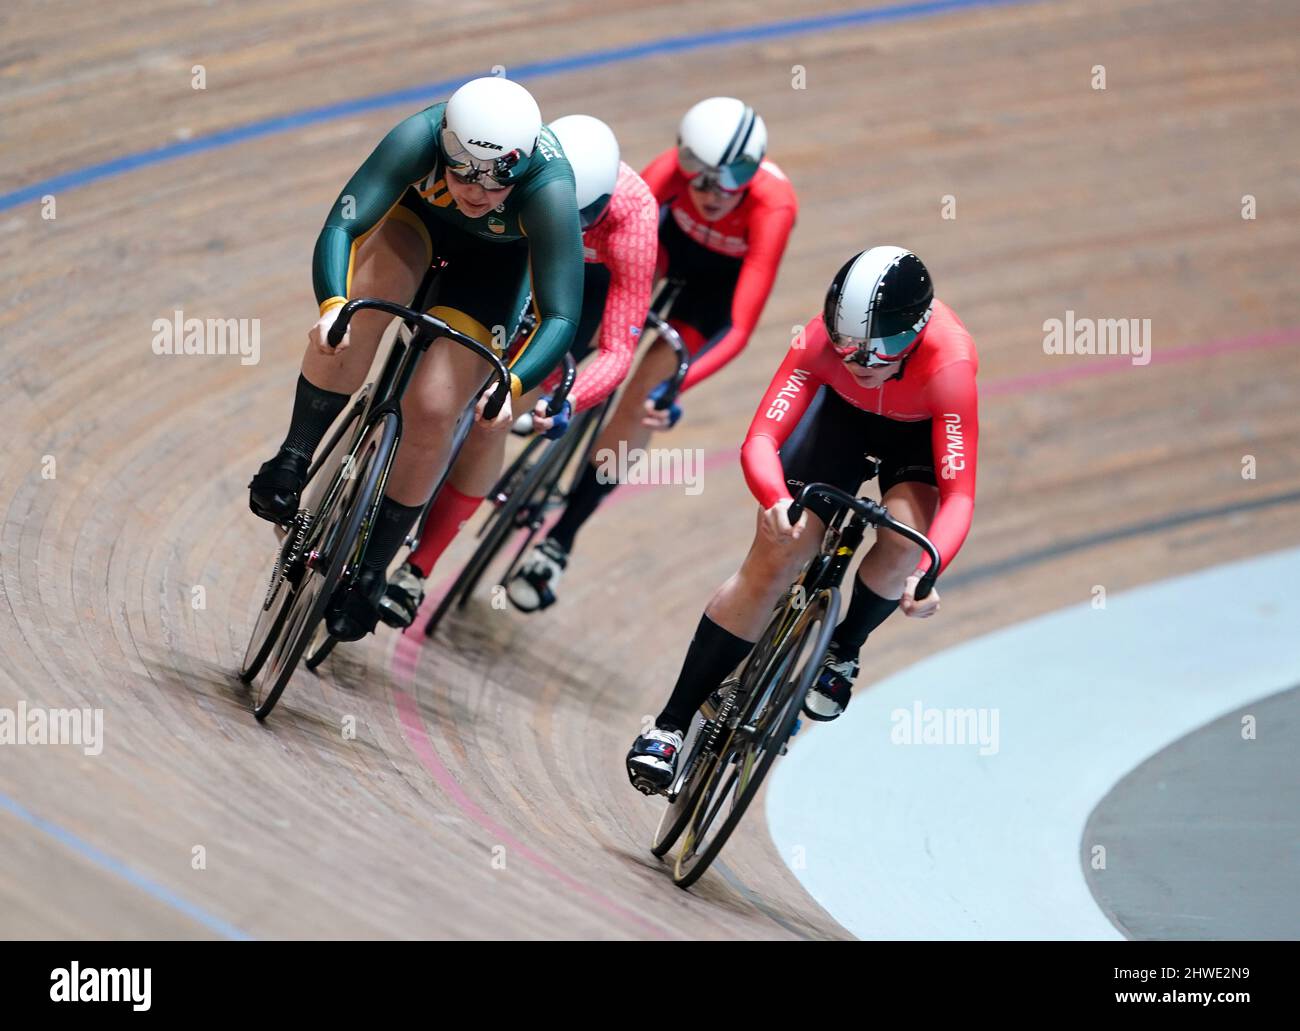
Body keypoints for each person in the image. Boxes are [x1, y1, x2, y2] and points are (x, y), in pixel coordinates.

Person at [625, 247, 980, 790]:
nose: (859, 361)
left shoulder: (950, 367)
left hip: (914, 438)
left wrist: (929, 571)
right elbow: (761, 439)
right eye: (846, 346)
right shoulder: (818, 340)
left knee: (904, 538)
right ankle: (670, 727)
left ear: (916, 330)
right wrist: (774, 499)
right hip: (837, 425)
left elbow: (958, 497)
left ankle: (844, 648)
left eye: (876, 350)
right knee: (776, 556)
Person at [245, 76, 583, 641]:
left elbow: (561, 316)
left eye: (497, 175)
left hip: (492, 273)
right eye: (461, 167)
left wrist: (514, 386)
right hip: (415, 228)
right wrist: (333, 305)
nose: (475, 189)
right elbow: (344, 225)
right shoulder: (415, 136)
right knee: (360, 316)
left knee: (434, 406)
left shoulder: (550, 191)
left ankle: (372, 568)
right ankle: (292, 456)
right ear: (444, 140)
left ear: (522, 168)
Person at [506, 96, 798, 612]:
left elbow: (739, 327)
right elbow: (611, 225)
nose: (710, 193)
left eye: (729, 180)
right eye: (699, 176)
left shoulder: (774, 207)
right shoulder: (668, 173)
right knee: (600, 314)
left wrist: (676, 385)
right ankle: (551, 389)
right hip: (662, 249)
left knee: (645, 392)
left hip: (712, 293)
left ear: (751, 175)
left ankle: (560, 540)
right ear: (684, 160)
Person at [376, 114, 660, 626]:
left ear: (602, 209)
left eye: (581, 220)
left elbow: (619, 347)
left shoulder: (634, 218)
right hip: (507, 262)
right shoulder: (519, 171)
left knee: (493, 418)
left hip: (576, 296)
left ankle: (418, 569)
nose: (566, 228)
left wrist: (568, 399)